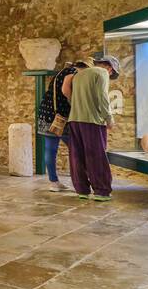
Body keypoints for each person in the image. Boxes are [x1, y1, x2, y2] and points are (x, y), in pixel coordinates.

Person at [64, 52, 120, 201]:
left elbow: (71, 97)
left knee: (77, 156)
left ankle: (82, 190)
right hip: (93, 121)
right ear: (109, 67)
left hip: (74, 120)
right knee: (96, 156)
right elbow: (102, 97)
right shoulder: (101, 72)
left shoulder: (78, 75)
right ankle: (102, 191)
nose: (110, 74)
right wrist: (109, 118)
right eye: (112, 72)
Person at [35, 61, 87, 192]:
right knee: (76, 147)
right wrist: (74, 101)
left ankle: (54, 182)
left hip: (46, 114)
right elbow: (65, 90)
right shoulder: (73, 73)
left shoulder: (61, 72)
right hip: (59, 116)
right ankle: (80, 181)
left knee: (50, 148)